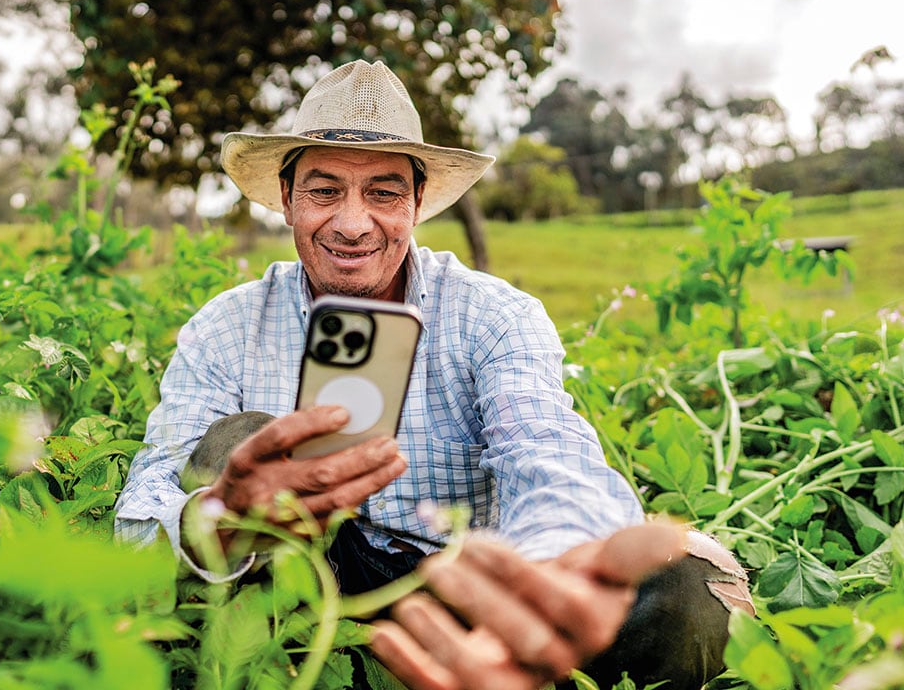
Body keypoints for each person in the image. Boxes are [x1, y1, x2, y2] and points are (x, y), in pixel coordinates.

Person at [114, 59, 751, 689]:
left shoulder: (493, 314)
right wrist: (222, 521)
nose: (353, 223)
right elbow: (140, 510)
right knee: (234, 445)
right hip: (296, 604)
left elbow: (548, 450)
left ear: (418, 202)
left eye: (384, 193)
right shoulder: (226, 328)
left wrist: (550, 570)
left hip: (467, 592)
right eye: (324, 190)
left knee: (692, 587)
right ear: (287, 199)